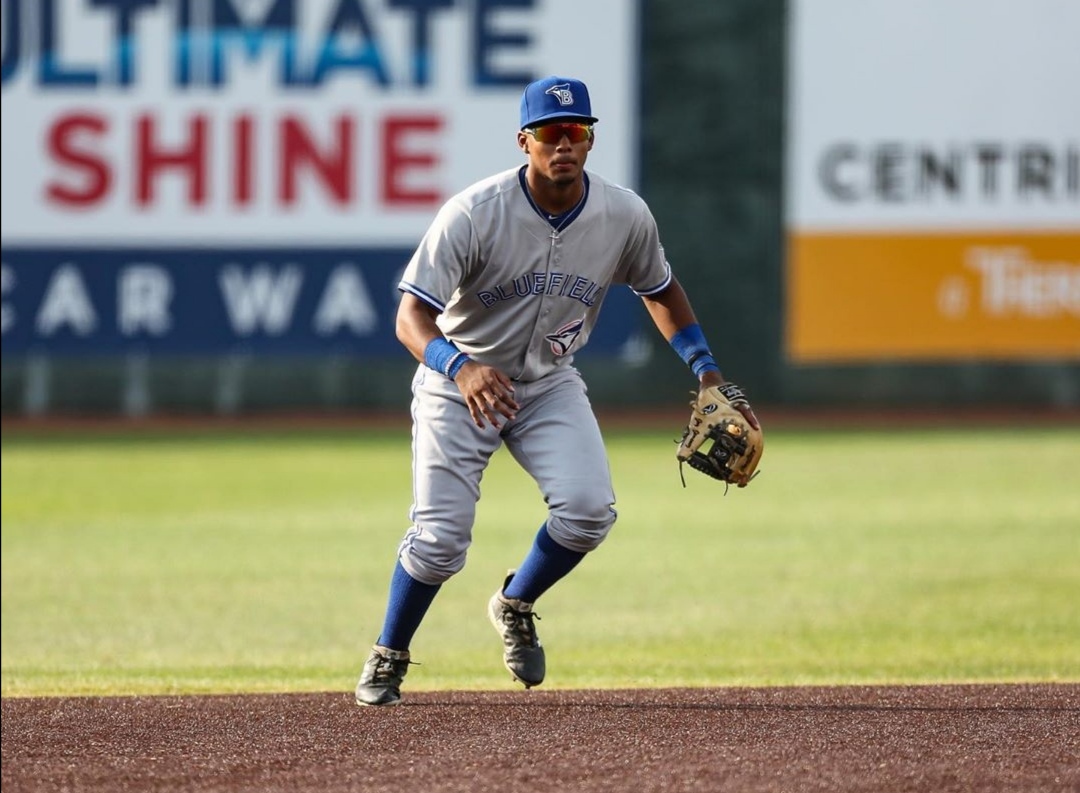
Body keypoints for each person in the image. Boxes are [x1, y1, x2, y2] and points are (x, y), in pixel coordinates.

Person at [354, 75, 758, 706]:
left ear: (591, 140)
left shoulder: (623, 214)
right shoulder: (473, 214)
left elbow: (659, 288)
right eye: (549, 132)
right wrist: (460, 367)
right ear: (525, 141)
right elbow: (410, 318)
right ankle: (388, 652)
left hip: (547, 383)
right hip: (458, 385)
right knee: (440, 541)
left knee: (589, 511)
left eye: (575, 130)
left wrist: (707, 371)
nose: (563, 143)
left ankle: (515, 603)